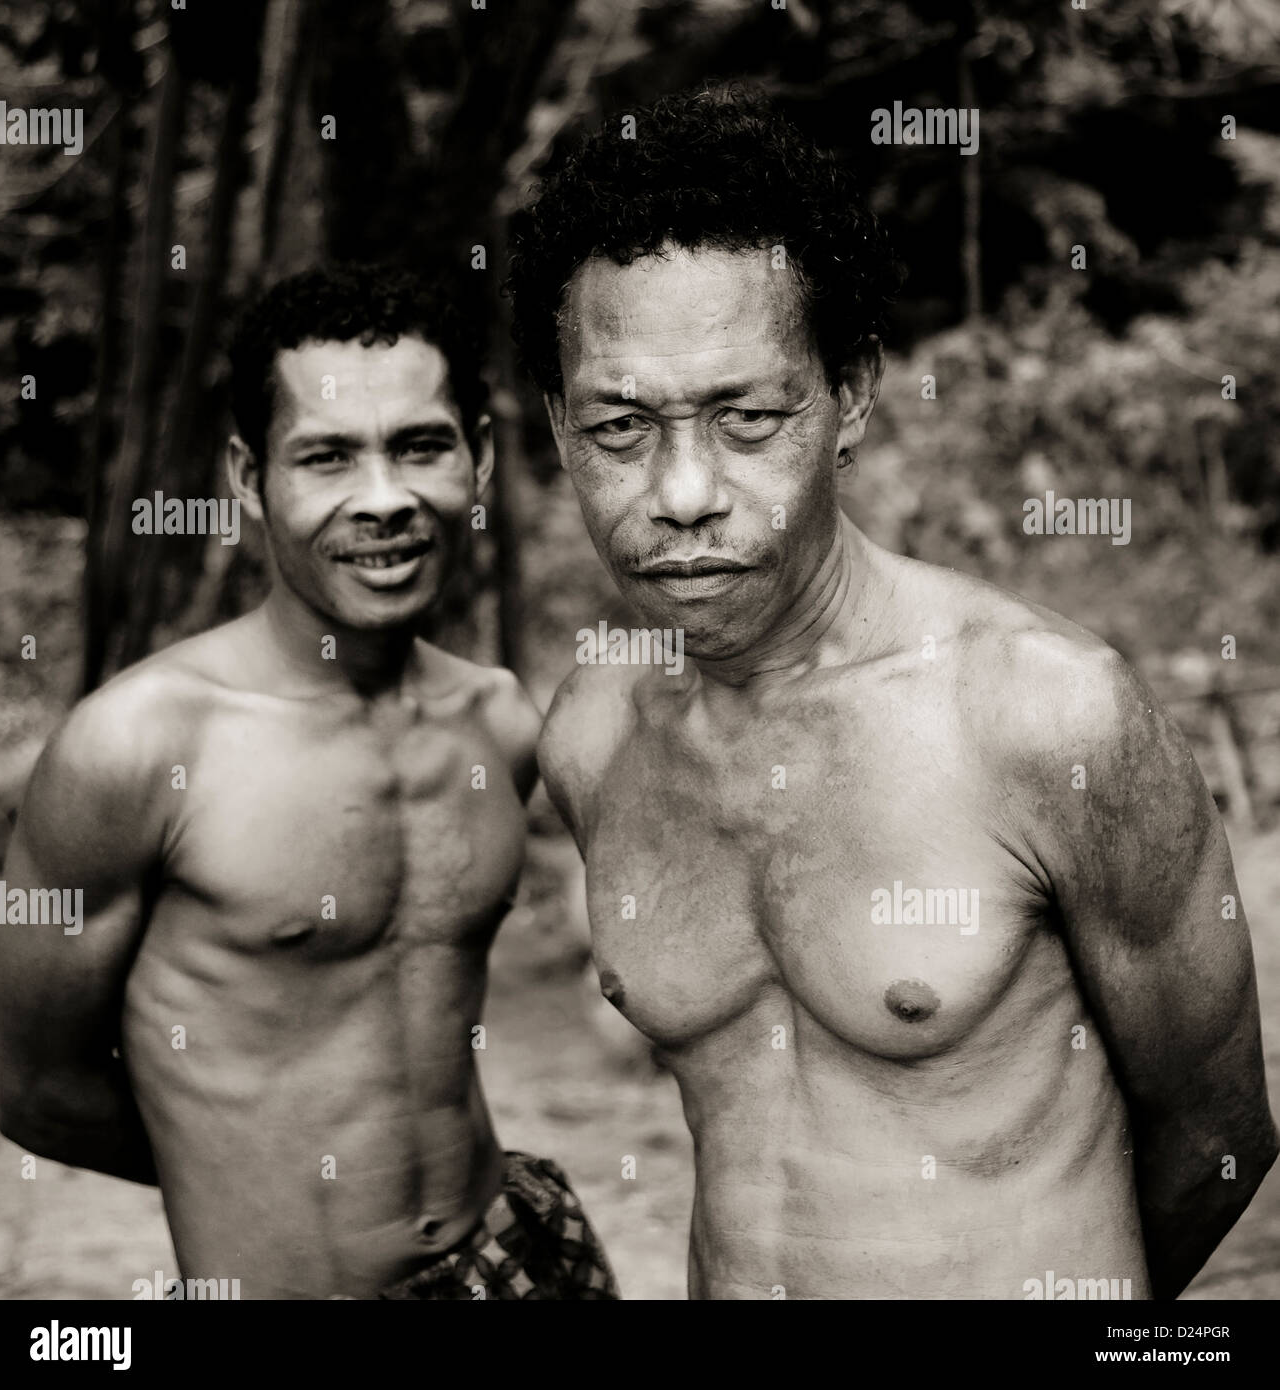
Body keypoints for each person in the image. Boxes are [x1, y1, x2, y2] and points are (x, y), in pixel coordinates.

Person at [507, 87, 1277, 1300]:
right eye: (619, 428)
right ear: (557, 426)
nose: (685, 489)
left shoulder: (1043, 714)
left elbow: (1217, 1135)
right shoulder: (597, 736)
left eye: (748, 417)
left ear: (850, 395)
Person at [0, 264, 619, 1301]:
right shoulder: (134, 748)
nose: (384, 500)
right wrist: (272, 1185)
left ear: (480, 456)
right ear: (249, 478)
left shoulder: (497, 723)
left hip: (509, 1254)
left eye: (421, 445)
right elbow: (41, 1094)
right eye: (326, 456)